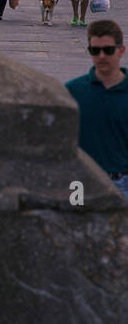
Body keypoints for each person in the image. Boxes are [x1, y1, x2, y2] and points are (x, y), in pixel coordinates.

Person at [64, 20, 128, 198]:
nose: (101, 56)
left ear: (120, 50)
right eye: (95, 50)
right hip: (82, 183)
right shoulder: (73, 90)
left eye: (107, 50)